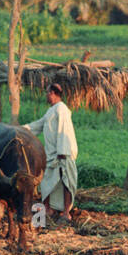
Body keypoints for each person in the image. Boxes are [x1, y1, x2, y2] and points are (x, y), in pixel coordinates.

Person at [25, 84, 78, 225]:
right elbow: (38, 125)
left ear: (53, 93)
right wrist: (21, 130)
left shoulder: (62, 109)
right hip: (51, 154)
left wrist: (62, 151)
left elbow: (64, 130)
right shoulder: (51, 111)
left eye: (47, 92)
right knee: (47, 181)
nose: (46, 95)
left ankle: (66, 213)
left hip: (63, 153)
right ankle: (48, 209)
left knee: (65, 181)